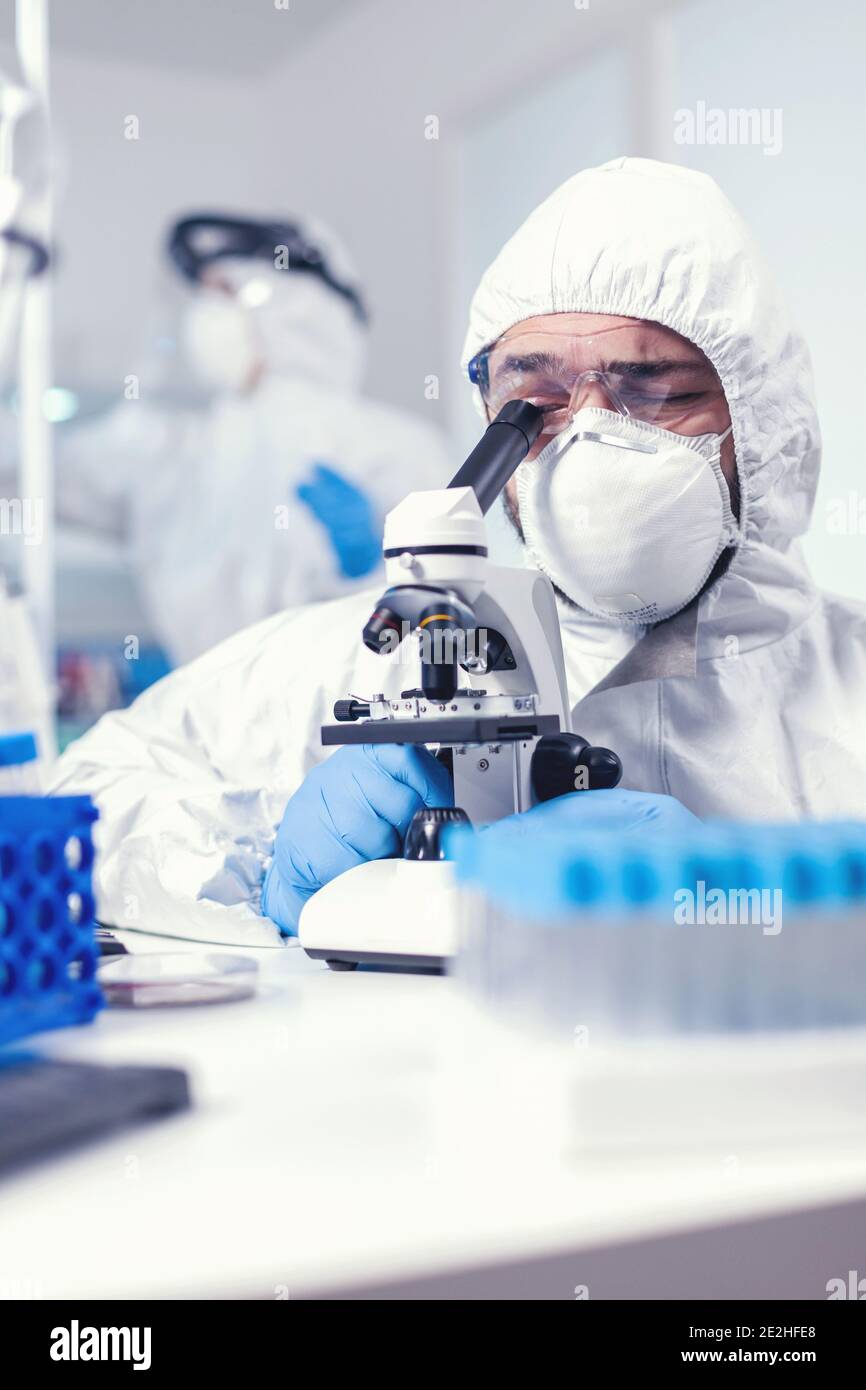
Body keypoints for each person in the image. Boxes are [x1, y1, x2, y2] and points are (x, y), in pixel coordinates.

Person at [50, 157, 866, 947]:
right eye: (534, 398)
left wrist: (752, 910)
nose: (584, 440)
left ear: (762, 422)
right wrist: (254, 852)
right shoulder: (352, 662)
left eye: (652, 390)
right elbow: (70, 810)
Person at [52, 213, 451, 664]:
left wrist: (366, 575)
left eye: (227, 293)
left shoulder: (399, 449)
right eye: (204, 297)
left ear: (296, 306)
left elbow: (449, 615)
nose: (207, 317)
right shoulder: (176, 453)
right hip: (205, 714)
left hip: (345, 712)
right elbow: (38, 472)